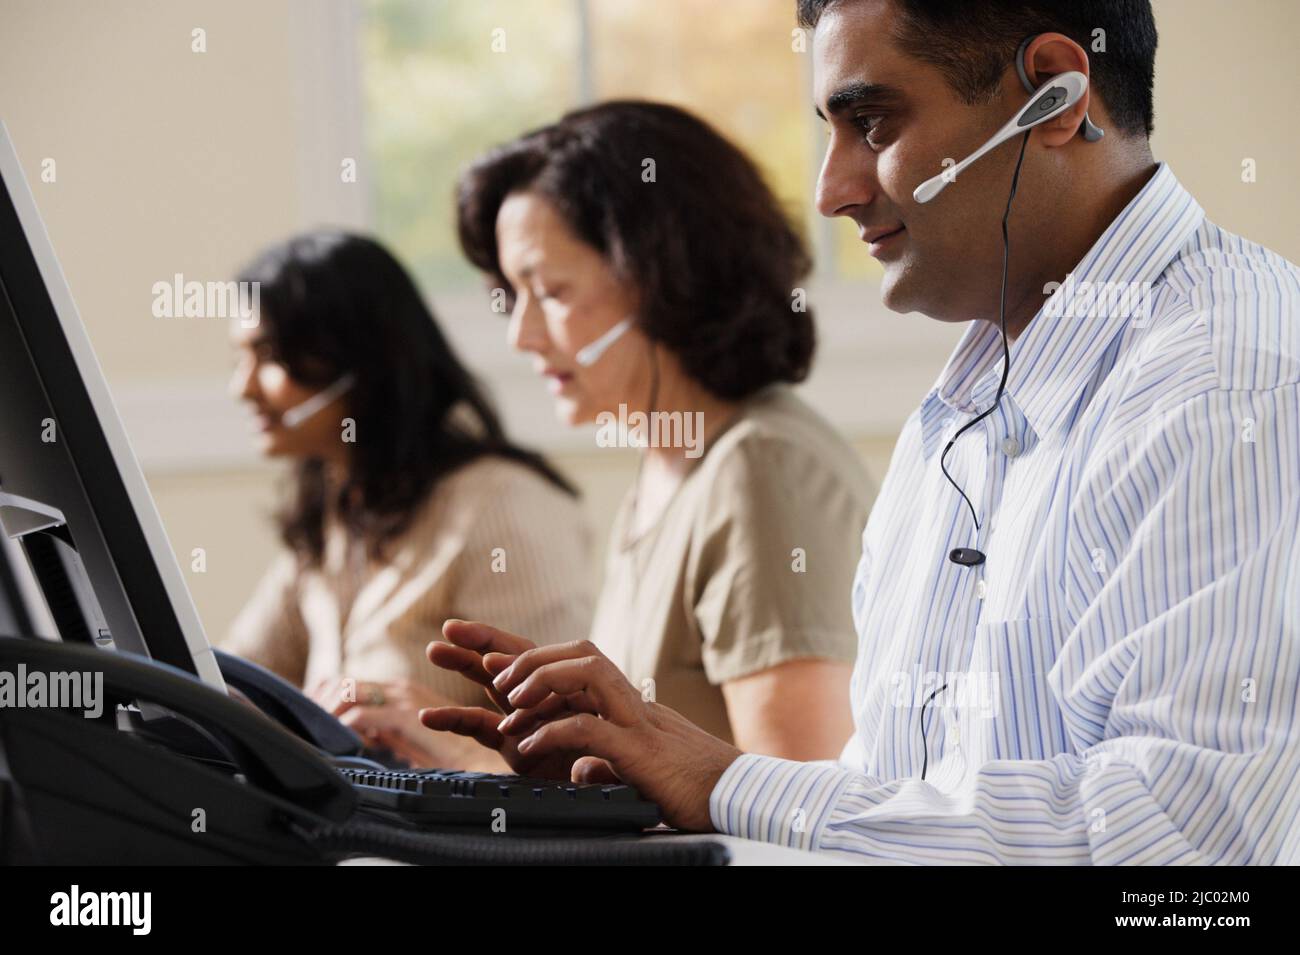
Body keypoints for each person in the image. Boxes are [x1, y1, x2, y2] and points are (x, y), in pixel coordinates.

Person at [417, 0, 1300, 863]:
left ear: (1058, 100)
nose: (831, 191)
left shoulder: (1231, 380)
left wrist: (725, 780)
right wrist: (633, 804)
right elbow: (889, 799)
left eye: (872, 124)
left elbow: (1196, 848)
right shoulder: (954, 415)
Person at [349, 102, 872, 761]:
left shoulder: (762, 471)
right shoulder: (669, 471)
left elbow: (798, 807)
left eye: (553, 292)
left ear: (664, 279)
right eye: (515, 294)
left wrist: (468, 761)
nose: (523, 334)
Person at [220, 231, 592, 770]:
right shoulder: (337, 513)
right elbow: (237, 677)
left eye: (270, 355)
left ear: (359, 359)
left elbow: (563, 757)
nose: (242, 387)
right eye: (240, 357)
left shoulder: (502, 505)